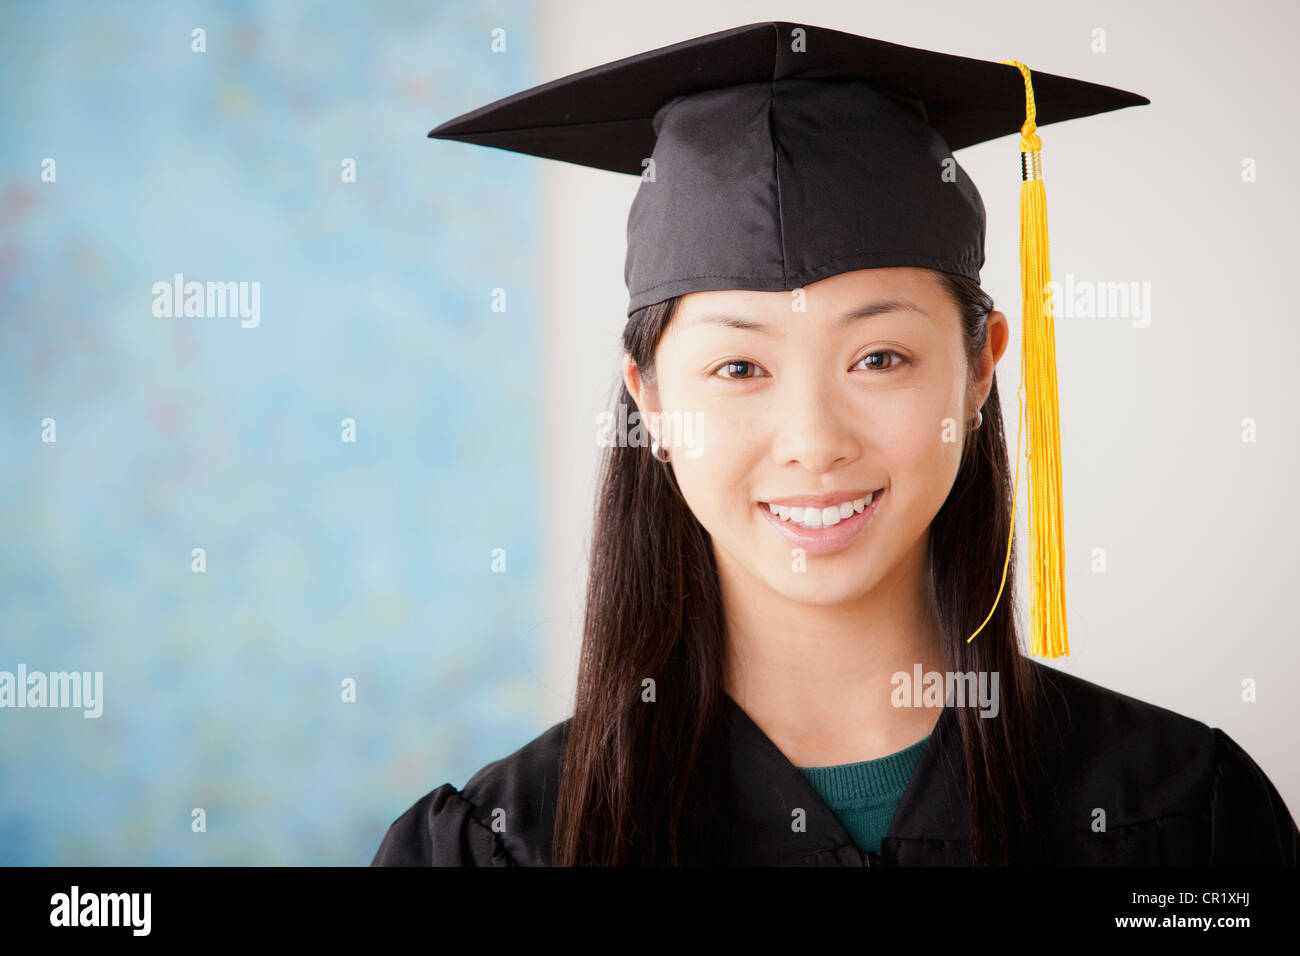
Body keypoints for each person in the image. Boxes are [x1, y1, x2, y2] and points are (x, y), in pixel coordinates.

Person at [371, 20, 1298, 866]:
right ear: (646, 400)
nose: (813, 442)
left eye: (880, 356)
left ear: (980, 371)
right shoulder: (501, 849)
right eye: (738, 368)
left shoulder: (1182, 820)